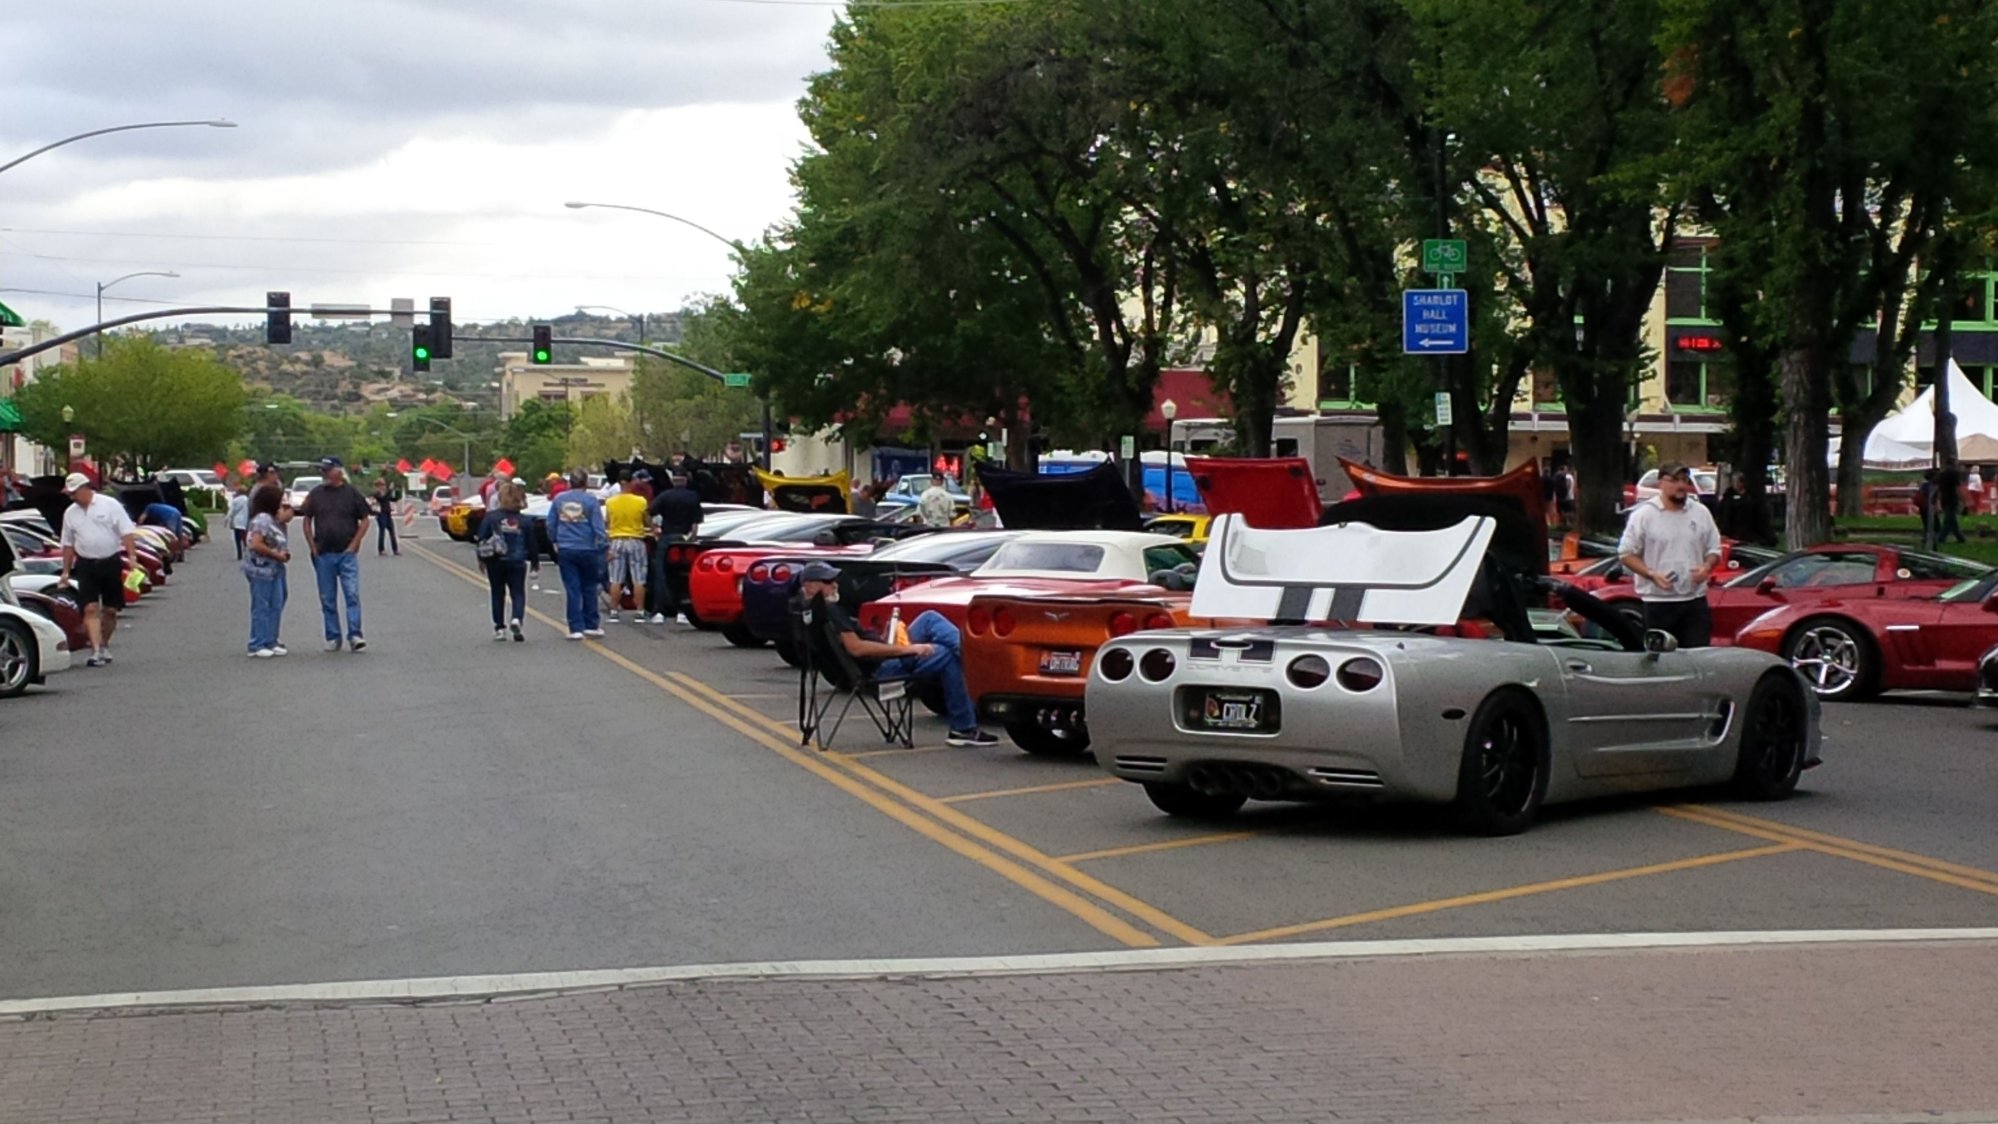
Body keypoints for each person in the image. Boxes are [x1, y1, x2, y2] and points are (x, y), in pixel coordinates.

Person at [796, 561, 997, 746]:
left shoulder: (809, 611)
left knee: (929, 619)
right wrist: (908, 649)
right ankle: (965, 722)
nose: (835, 585)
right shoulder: (829, 611)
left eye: (834, 580)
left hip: (878, 658)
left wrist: (884, 638)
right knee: (946, 654)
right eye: (828, 581)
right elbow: (856, 649)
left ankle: (974, 666)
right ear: (810, 586)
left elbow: (855, 644)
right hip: (880, 670)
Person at [1616, 462, 1723, 647]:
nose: (1681, 485)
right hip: (1658, 603)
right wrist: (1652, 574)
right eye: (1674, 480)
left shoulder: (1700, 512)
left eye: (1684, 480)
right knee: (1663, 661)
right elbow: (1625, 553)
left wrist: (1706, 567)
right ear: (1661, 484)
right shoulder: (1644, 515)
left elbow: (1714, 550)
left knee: (1697, 658)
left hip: (1694, 601)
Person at [56, 472, 140, 668]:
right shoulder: (70, 513)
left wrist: (133, 557)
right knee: (90, 608)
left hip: (110, 561)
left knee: (110, 610)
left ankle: (104, 644)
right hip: (86, 564)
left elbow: (126, 532)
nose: (72, 497)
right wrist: (66, 571)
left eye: (74, 493)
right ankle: (95, 651)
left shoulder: (109, 505)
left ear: (85, 489)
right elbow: (67, 544)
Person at [299, 457, 374, 652]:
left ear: (339, 471)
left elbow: (366, 519)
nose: (325, 474)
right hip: (323, 553)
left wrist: (355, 543)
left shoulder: (351, 493)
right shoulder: (316, 494)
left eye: (329, 470)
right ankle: (333, 636)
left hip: (346, 553)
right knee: (327, 598)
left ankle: (355, 635)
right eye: (323, 470)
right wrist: (312, 545)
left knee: (351, 594)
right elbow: (306, 519)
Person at [547, 469, 608, 639]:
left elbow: (551, 523)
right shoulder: (590, 501)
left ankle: (575, 627)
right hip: (587, 548)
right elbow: (598, 526)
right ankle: (591, 624)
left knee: (572, 588)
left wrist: (554, 540)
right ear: (586, 482)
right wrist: (603, 545)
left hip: (566, 547)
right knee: (589, 586)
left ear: (569, 482)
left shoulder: (559, 499)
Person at [475, 481, 530, 642]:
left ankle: (499, 627)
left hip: (495, 561)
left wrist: (481, 558)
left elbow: (482, 538)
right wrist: (534, 561)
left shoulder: (491, 517)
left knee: (497, 593)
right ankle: (517, 619)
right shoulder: (524, 520)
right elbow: (531, 542)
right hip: (517, 561)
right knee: (518, 593)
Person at [647, 469, 704, 624]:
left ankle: (659, 611)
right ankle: (683, 612)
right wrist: (692, 537)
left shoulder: (665, 496)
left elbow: (650, 512)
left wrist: (654, 529)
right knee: (682, 577)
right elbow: (695, 523)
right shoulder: (693, 497)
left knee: (661, 574)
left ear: (673, 480)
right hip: (684, 539)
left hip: (667, 537)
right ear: (686, 480)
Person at [241, 483, 292, 658]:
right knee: (261, 605)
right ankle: (257, 643)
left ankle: (271, 639)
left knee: (277, 602)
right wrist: (276, 555)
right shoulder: (261, 519)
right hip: (260, 569)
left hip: (275, 569)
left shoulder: (272, 519)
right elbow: (256, 543)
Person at [603, 477, 651, 624]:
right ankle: (640, 611)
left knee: (616, 578)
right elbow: (647, 521)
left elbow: (607, 522)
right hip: (636, 540)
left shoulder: (610, 502)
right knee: (638, 578)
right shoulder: (641, 501)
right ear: (632, 483)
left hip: (616, 540)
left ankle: (613, 610)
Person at [1715, 472, 1755, 542]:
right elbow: (1723, 513)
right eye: (1733, 482)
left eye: (1737, 482)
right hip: (1731, 531)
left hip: (1746, 530)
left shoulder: (1749, 496)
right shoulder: (1728, 495)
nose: (1735, 484)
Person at [1938, 462, 1967, 544]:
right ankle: (1941, 538)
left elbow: (1939, 489)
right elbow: (1957, 488)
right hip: (1952, 498)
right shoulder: (1954, 474)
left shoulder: (1942, 474)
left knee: (1951, 519)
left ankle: (1960, 537)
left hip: (1944, 498)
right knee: (1949, 520)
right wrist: (1963, 500)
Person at [372, 476, 400, 557]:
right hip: (381, 514)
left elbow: (392, 499)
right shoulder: (377, 494)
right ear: (378, 486)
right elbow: (383, 499)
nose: (384, 486)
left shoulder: (385, 493)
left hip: (388, 514)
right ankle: (381, 549)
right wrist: (390, 490)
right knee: (382, 532)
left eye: (384, 485)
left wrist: (397, 492)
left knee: (392, 532)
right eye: (382, 485)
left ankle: (395, 550)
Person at [1917, 468, 1940, 550]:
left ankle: (1928, 538)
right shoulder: (1931, 486)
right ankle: (1930, 540)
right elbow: (1932, 498)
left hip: (1923, 507)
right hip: (1928, 508)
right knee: (1933, 525)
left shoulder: (1924, 485)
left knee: (1928, 524)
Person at [227, 483, 252, 560]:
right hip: (246, 522)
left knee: (237, 539)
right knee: (245, 538)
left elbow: (231, 512)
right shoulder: (248, 500)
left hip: (237, 522)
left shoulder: (236, 501)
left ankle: (239, 554)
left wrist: (227, 519)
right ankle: (247, 551)